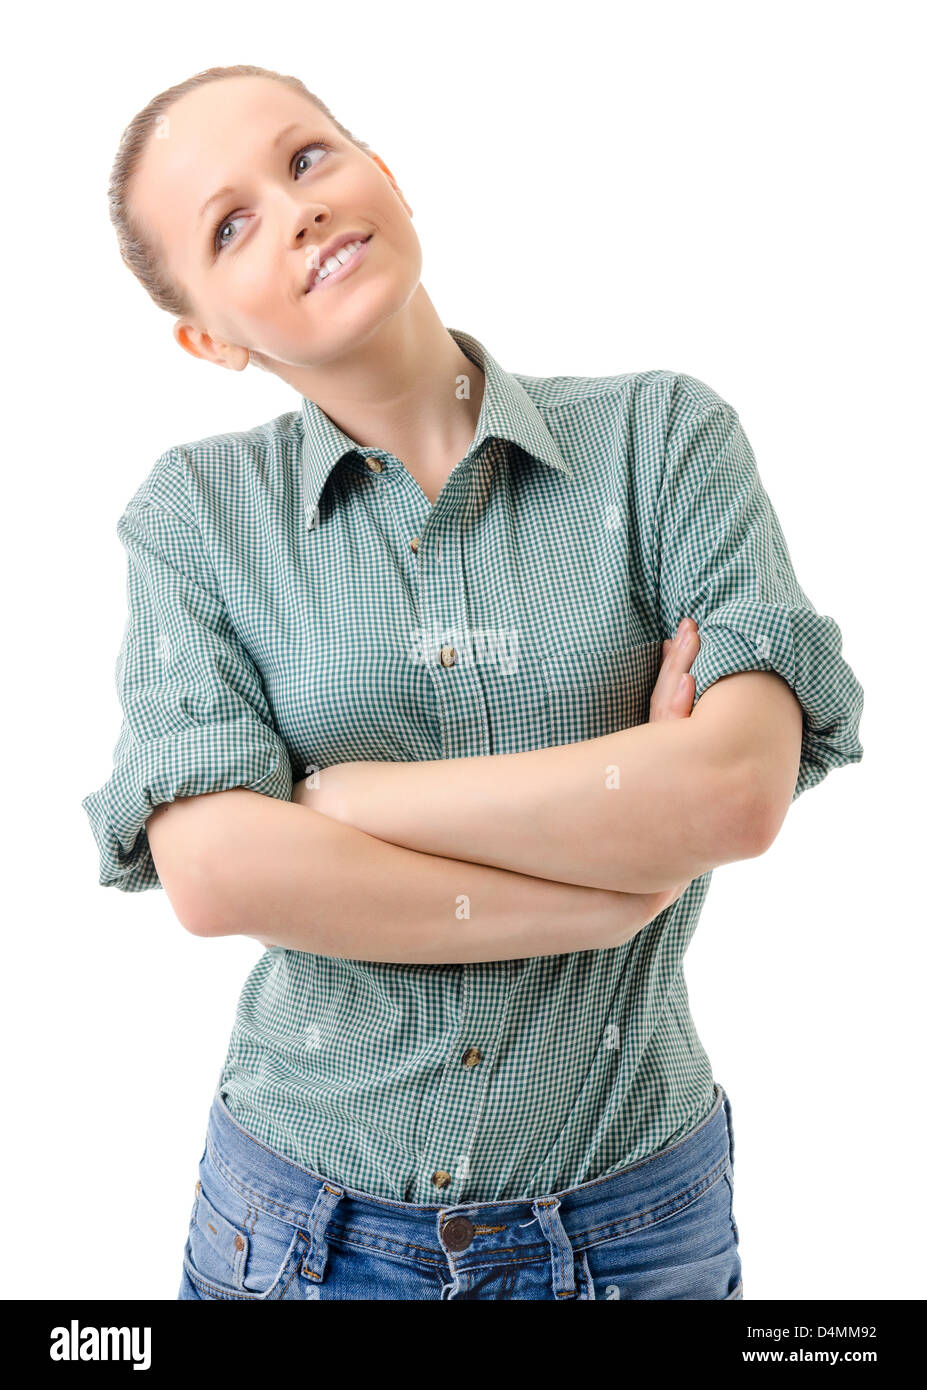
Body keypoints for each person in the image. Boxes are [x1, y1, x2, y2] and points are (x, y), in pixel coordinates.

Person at [81, 64, 865, 1301]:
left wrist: (345, 803)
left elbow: (733, 792)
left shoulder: (664, 442)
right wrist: (602, 901)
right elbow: (218, 871)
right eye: (228, 226)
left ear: (380, 174)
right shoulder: (195, 521)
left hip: (636, 1227)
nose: (295, 211)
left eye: (307, 160)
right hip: (298, 1234)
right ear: (209, 336)